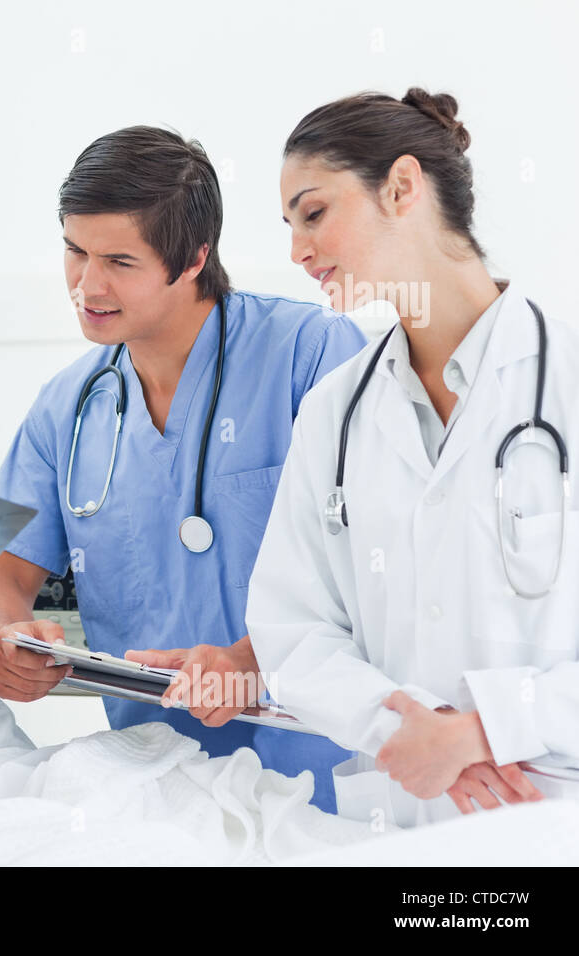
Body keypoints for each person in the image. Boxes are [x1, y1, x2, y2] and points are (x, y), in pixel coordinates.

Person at [0, 126, 366, 811]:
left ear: (194, 257)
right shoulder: (69, 410)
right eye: (74, 250)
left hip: (333, 781)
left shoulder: (312, 356)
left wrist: (250, 662)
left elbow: (379, 565)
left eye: (119, 260)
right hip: (165, 797)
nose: (87, 285)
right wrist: (3, 639)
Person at [247, 88, 577, 827]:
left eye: (314, 212)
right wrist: (409, 728)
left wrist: (484, 730)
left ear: (401, 187)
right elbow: (292, 629)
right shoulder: (334, 412)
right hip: (402, 821)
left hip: (551, 813)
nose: (298, 250)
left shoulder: (569, 382)